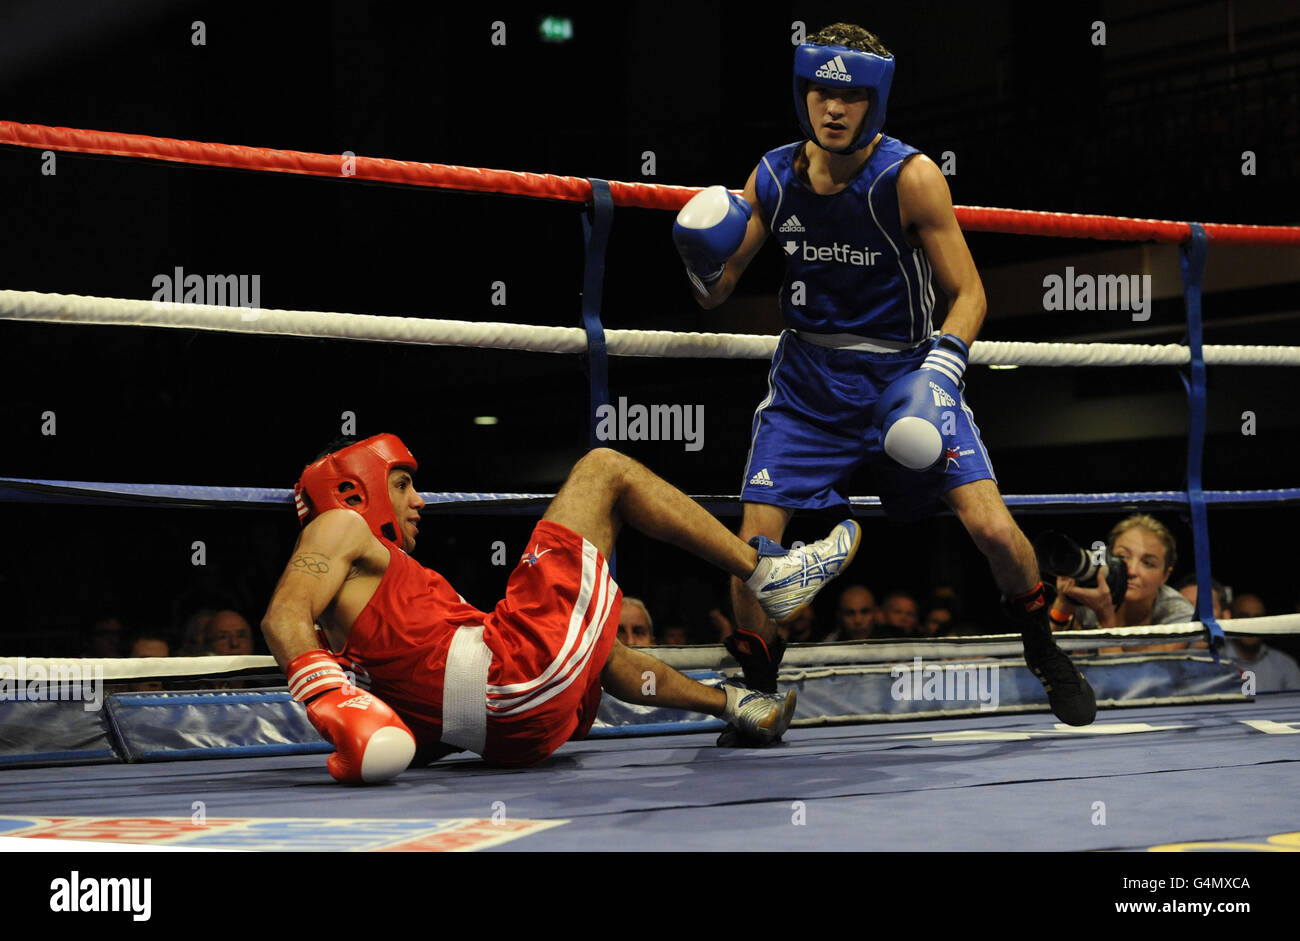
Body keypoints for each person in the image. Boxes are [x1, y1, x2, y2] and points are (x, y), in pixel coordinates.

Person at [671, 22, 1094, 726]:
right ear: (803, 92)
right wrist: (699, 259)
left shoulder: (911, 177)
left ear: (877, 101)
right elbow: (715, 293)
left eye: (851, 96)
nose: (833, 109)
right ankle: (760, 687)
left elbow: (972, 295)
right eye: (820, 92)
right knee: (751, 548)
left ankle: (1043, 645)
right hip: (807, 386)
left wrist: (943, 369)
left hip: (907, 374)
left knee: (991, 527)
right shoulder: (771, 176)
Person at [259, 434, 859, 783]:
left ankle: (733, 702)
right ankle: (767, 574)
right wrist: (332, 704)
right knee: (603, 470)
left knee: (589, 640)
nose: (421, 499)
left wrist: (729, 703)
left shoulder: (370, 621)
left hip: (508, 730)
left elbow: (603, 663)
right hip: (512, 684)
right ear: (349, 492)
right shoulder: (339, 527)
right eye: (402, 483)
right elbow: (282, 615)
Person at [1050, 515, 1193, 636]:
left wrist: (1106, 619)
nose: (1131, 571)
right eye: (1123, 556)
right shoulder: (1089, 592)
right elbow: (1044, 657)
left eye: (1148, 563)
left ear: (1165, 576)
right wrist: (1064, 603)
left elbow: (1133, 668)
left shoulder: (1179, 614)